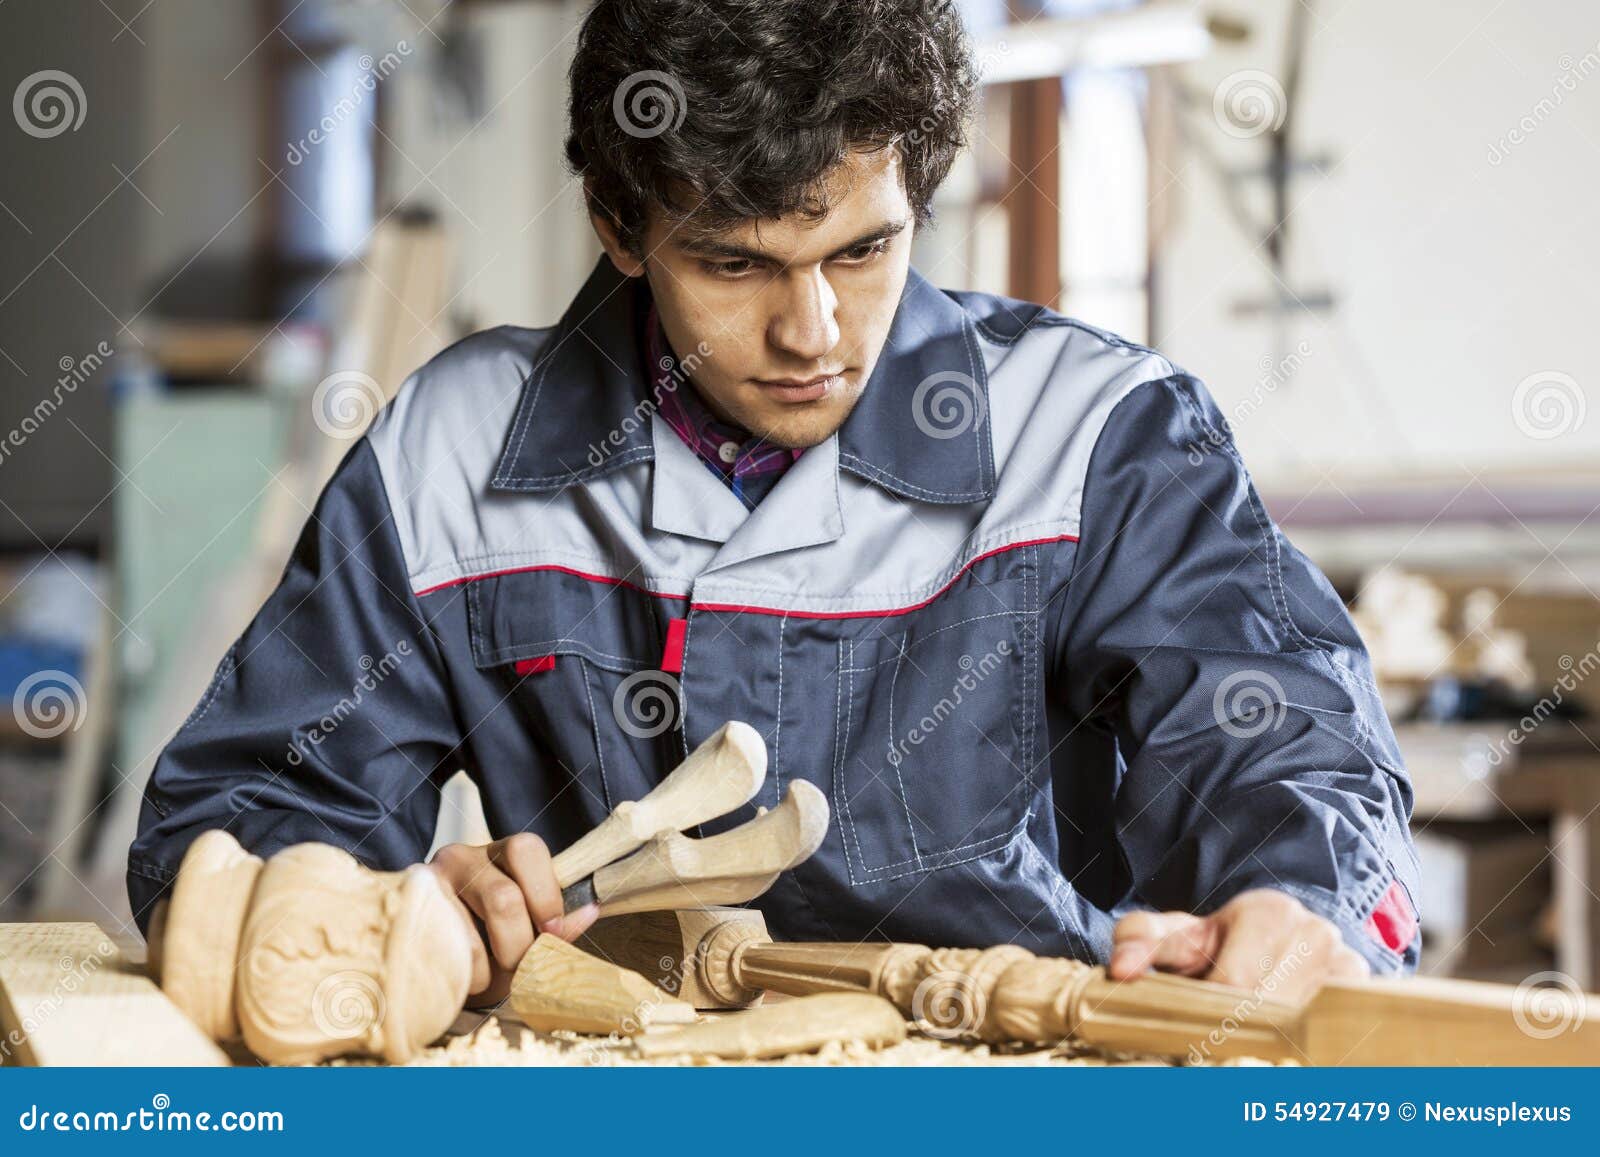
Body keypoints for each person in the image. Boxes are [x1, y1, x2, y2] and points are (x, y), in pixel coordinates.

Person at [129, 0, 1420, 1007]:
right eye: (735, 263)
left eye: (862, 250)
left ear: (918, 193)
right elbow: (241, 827)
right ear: (620, 224)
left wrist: (1302, 900)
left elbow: (1285, 738)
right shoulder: (447, 451)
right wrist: (387, 902)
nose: (814, 333)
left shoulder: (1099, 433)